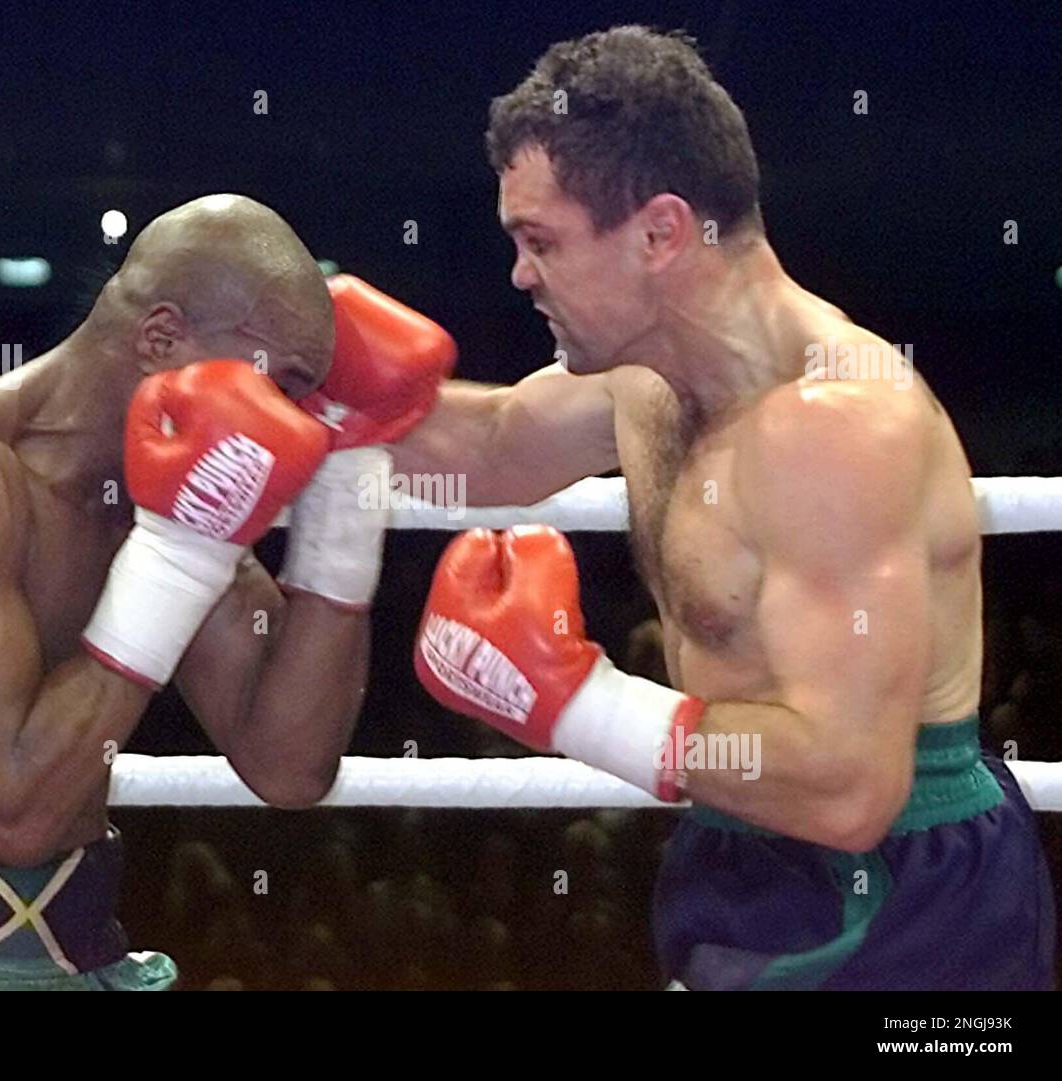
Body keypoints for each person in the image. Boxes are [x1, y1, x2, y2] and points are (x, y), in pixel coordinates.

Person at [391, 26, 1055, 989]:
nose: (520, 274)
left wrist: (577, 703)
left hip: (903, 891)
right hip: (738, 835)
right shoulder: (647, 378)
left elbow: (849, 789)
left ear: (662, 233)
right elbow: (489, 449)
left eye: (542, 242)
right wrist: (309, 392)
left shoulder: (833, 428)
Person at [0, 193, 452, 990]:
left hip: (79, 948)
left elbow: (289, 765)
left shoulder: (166, 497)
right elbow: (13, 814)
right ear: (160, 336)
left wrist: (344, 490)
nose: (290, 421)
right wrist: (176, 555)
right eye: (288, 386)